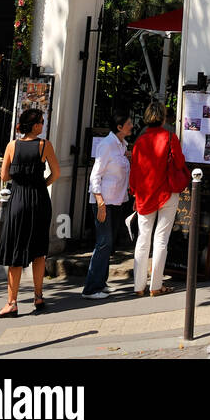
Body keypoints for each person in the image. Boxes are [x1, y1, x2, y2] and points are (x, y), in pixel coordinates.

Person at [0, 108, 60, 317]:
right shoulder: (44, 145)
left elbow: (4, 175)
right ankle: (38, 296)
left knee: (16, 251)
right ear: (35, 126)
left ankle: (12, 302)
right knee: (39, 250)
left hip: (18, 201)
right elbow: (57, 173)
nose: (43, 125)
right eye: (41, 122)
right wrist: (42, 184)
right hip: (39, 201)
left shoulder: (12, 146)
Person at [130, 99, 188, 296]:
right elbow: (180, 162)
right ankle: (156, 285)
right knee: (161, 239)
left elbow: (134, 170)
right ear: (163, 118)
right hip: (166, 192)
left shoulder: (139, 141)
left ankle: (138, 287)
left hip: (144, 195)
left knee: (142, 239)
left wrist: (134, 192)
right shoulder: (170, 137)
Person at [82, 109, 133, 299]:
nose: (131, 126)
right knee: (103, 242)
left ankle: (100, 283)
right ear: (119, 127)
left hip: (117, 200)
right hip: (104, 201)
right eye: (128, 123)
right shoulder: (107, 145)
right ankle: (91, 288)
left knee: (109, 243)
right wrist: (100, 202)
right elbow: (95, 174)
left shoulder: (121, 145)